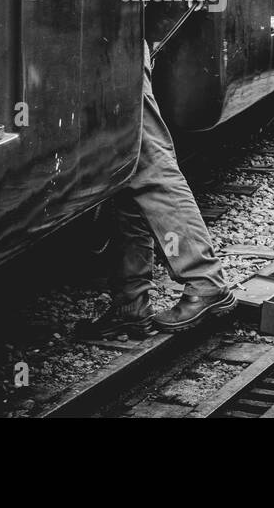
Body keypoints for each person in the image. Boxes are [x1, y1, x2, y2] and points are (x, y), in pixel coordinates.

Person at [77, 50, 236, 340]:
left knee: (148, 160)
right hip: (100, 40)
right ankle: (132, 304)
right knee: (126, 165)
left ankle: (205, 280)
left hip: (109, 41)